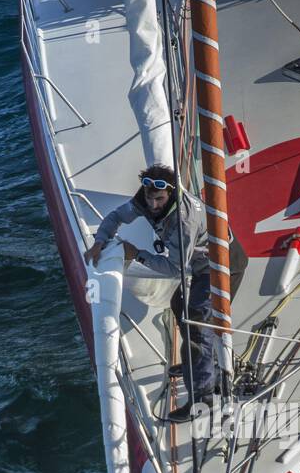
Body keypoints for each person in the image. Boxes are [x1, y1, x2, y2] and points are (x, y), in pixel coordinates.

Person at [85, 164, 247, 422]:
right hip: (200, 264)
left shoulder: (184, 219)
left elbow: (173, 269)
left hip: (223, 265)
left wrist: (136, 253)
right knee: (179, 304)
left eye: (159, 199)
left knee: (197, 322)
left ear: (170, 195)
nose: (153, 205)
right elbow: (116, 216)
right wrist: (100, 241)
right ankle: (197, 365)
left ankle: (203, 398)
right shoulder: (146, 199)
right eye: (149, 198)